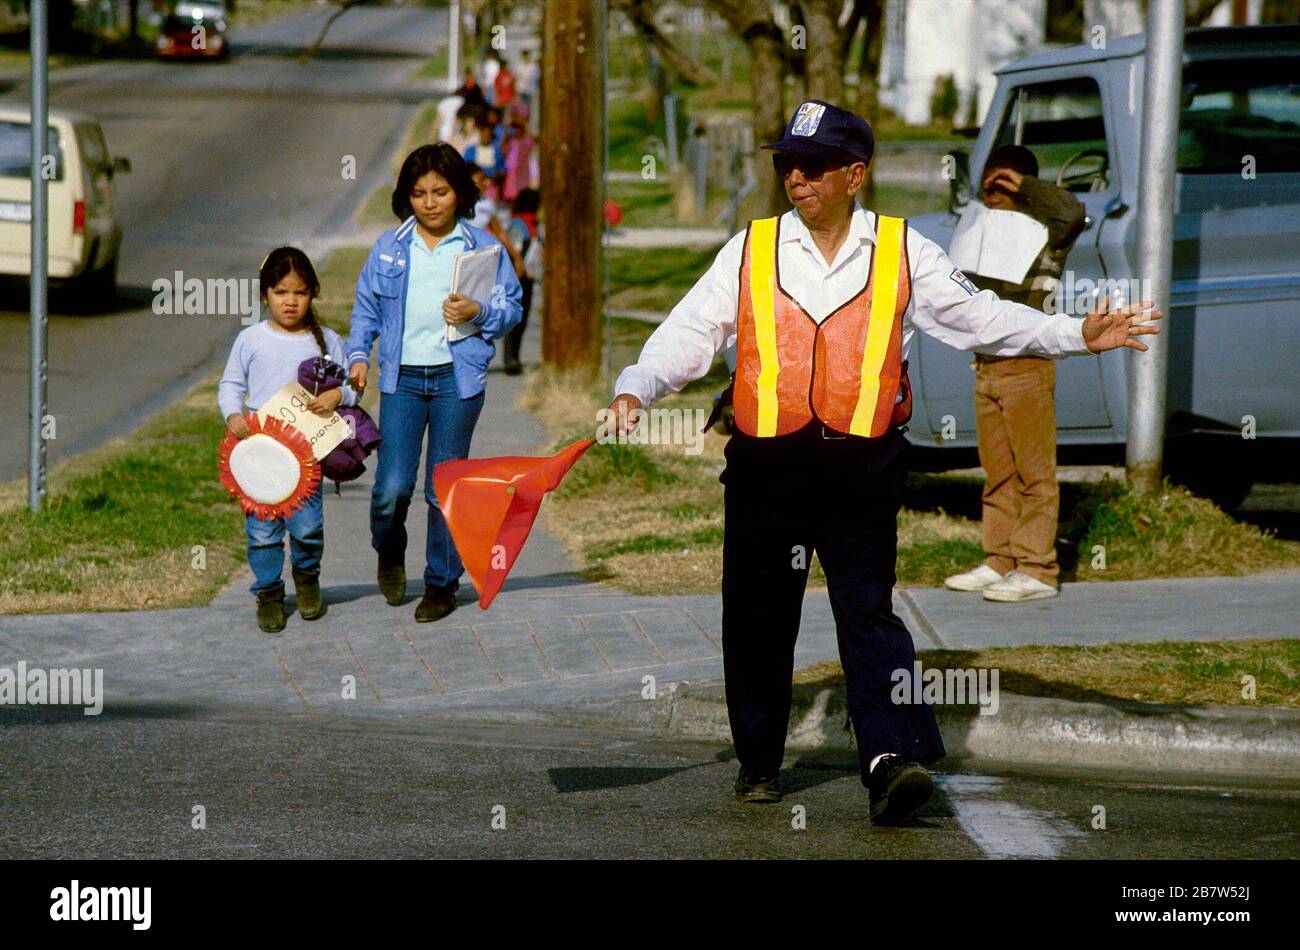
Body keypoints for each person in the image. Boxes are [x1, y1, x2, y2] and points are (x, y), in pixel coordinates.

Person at [602, 100, 1160, 825]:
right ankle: (760, 760)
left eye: (812, 166)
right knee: (758, 618)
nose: (796, 178)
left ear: (854, 174)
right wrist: (636, 388)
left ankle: (889, 760)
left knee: (868, 614)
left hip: (860, 466)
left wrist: (1076, 334)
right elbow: (692, 331)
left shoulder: (903, 250)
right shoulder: (752, 247)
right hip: (767, 465)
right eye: (787, 165)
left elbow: (979, 317)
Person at [345, 144, 522, 622]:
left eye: (440, 192)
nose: (430, 202)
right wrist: (359, 356)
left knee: (442, 488)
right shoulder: (389, 248)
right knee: (392, 488)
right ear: (407, 197)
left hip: (456, 382)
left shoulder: (482, 248)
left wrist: (478, 311)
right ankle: (389, 547)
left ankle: (441, 584)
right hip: (401, 380)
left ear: (459, 193)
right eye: (420, 193)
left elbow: (512, 309)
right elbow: (364, 311)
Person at [943, 144, 1088, 603]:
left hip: (1028, 366)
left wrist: (1023, 186)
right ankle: (1001, 559)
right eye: (990, 182)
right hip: (987, 368)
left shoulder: (1047, 235)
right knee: (998, 473)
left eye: (1003, 182)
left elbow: (1072, 212)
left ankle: (1038, 568)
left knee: (1034, 474)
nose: (994, 191)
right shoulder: (982, 235)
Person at [218, 247, 358, 634]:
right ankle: (268, 592)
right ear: (265, 295)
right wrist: (233, 415)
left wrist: (339, 397)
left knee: (307, 526)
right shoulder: (250, 339)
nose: (290, 301)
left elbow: (351, 388)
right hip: (259, 456)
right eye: (280, 292)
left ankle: (307, 577)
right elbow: (231, 383)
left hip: (307, 458)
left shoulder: (327, 341)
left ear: (312, 293)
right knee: (263, 533)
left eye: (299, 292)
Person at [502, 188, 540, 375]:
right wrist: (521, 269)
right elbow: (514, 250)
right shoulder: (519, 224)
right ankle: (510, 358)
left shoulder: (533, 223)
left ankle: (516, 356)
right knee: (515, 320)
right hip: (517, 278)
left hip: (529, 278)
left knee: (523, 320)